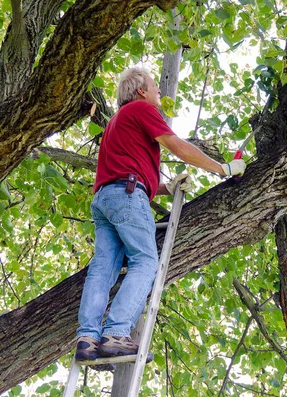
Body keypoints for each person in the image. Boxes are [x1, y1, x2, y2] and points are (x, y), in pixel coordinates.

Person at [75, 67, 246, 362]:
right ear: (141, 91)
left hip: (105, 198)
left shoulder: (116, 123)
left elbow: (126, 174)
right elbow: (176, 146)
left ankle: (88, 337)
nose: (158, 93)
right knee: (145, 260)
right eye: (155, 87)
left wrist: (165, 187)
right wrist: (223, 169)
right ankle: (116, 333)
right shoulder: (141, 108)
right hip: (127, 195)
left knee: (103, 269)